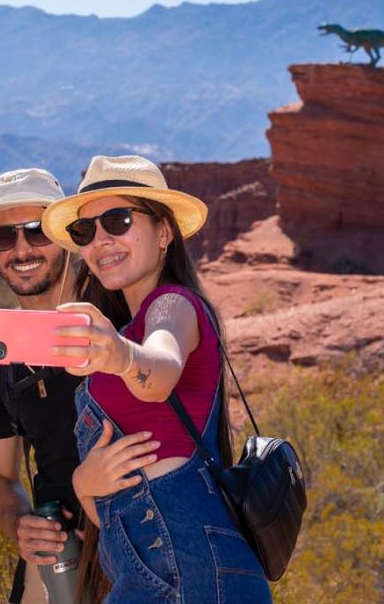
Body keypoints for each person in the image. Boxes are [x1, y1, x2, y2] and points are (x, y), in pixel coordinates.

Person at [43, 155, 273, 604]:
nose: (100, 240)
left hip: (191, 570)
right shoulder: (128, 327)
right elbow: (121, 519)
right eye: (85, 231)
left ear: (164, 232)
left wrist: (122, 356)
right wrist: (84, 486)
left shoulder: (172, 304)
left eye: (118, 220)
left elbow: (160, 370)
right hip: (154, 569)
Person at [0, 168, 90, 604]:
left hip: (139, 541)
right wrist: (20, 526)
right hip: (60, 556)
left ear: (65, 237)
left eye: (38, 231)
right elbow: (3, 477)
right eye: (5, 237)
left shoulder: (112, 320)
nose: (22, 249)